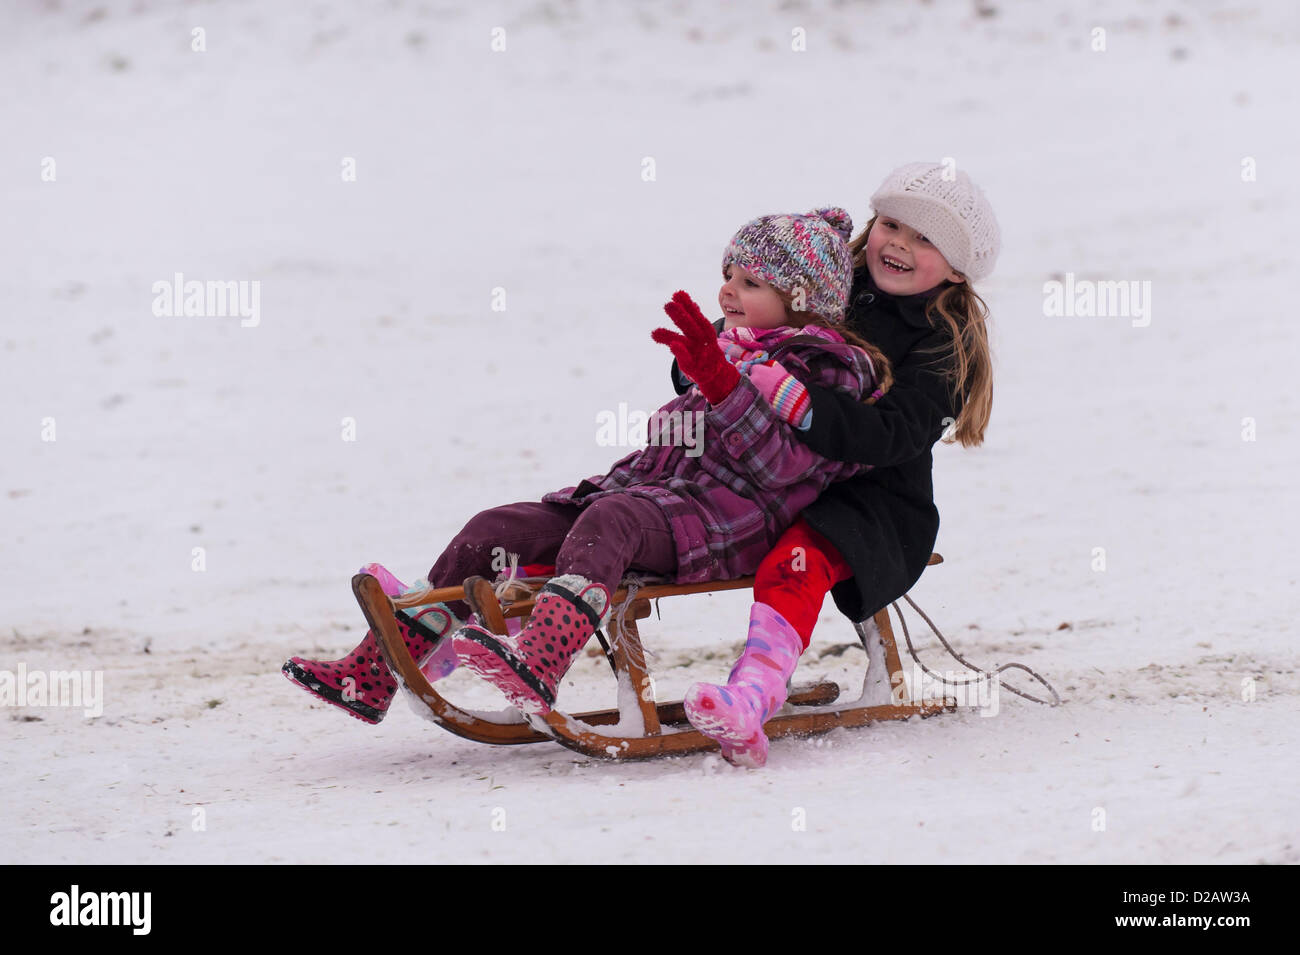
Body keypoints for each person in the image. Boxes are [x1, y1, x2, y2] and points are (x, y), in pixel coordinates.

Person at [283, 207, 892, 723]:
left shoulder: (827, 369)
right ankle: (374, 673)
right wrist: (696, 399)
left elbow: (783, 468)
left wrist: (722, 386)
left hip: (726, 526)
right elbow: (678, 441)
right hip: (654, 500)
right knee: (494, 529)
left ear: (803, 301)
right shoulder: (732, 346)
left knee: (613, 521)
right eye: (727, 274)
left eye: (750, 283)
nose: (727, 291)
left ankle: (542, 661)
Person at [675, 162, 1001, 767]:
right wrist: (711, 364)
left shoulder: (942, 338)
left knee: (794, 562)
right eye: (892, 224)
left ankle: (752, 696)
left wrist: (798, 401)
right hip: (767, 478)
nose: (899, 244)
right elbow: (744, 336)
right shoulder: (824, 284)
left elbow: (892, 434)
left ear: (957, 269)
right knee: (645, 512)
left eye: (924, 238)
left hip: (870, 503)